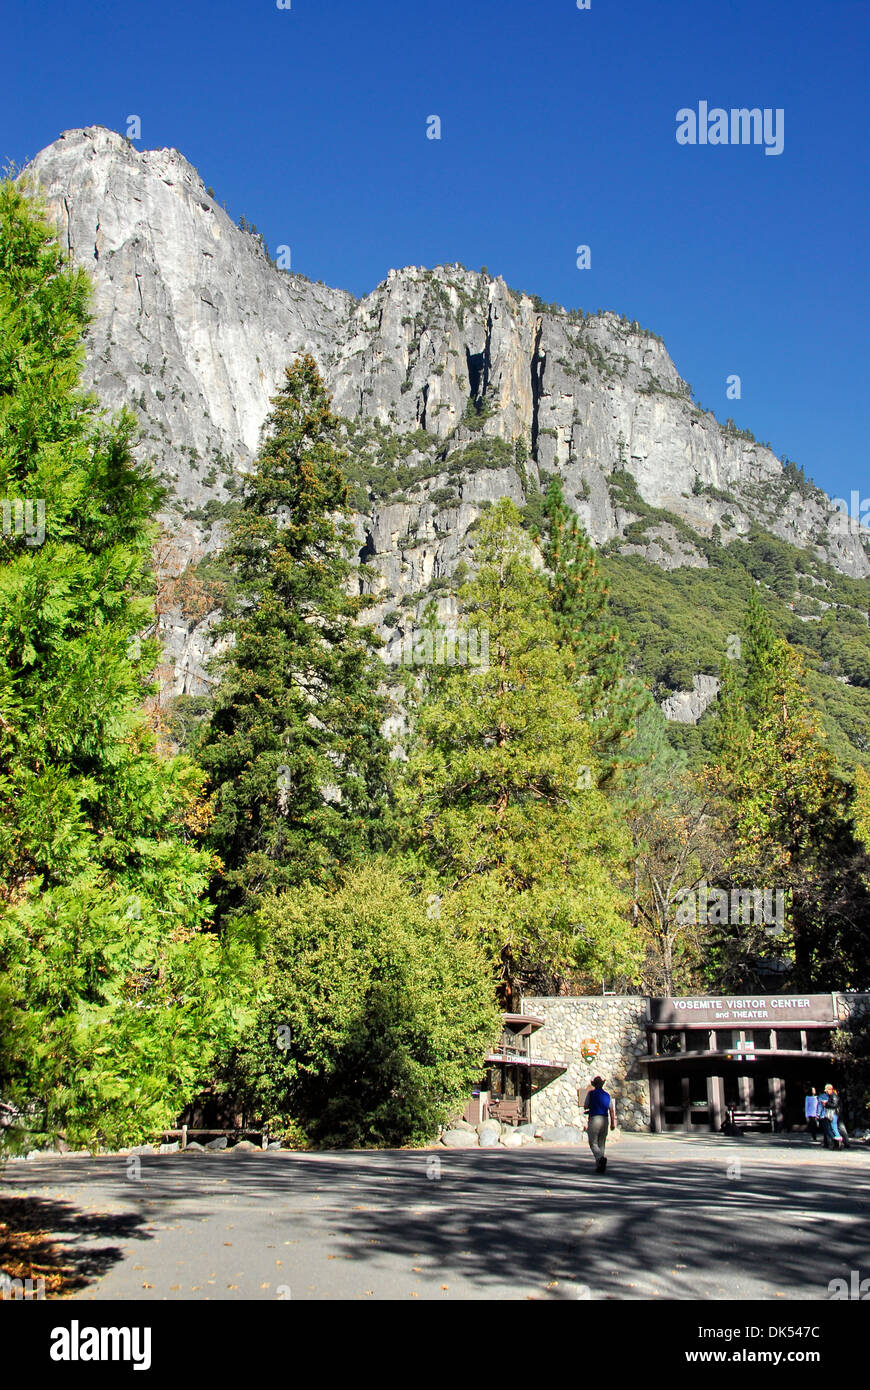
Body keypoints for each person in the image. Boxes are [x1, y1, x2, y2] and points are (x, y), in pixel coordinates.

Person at [582, 1076, 616, 1173]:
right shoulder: (607, 1095)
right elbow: (611, 1110)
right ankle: (600, 1165)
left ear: (594, 1084)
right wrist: (612, 1123)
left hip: (594, 1118)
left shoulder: (591, 1094)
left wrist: (591, 1108)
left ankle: (599, 1158)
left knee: (593, 1142)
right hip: (605, 1119)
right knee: (602, 1142)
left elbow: (586, 1105)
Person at [820, 1084, 845, 1150]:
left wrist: (826, 1103)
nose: (826, 1092)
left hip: (833, 1114)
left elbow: (834, 1105)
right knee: (828, 1128)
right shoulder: (830, 1096)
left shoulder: (834, 1096)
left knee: (833, 1127)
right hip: (831, 1113)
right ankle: (836, 1141)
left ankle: (838, 1140)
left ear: (830, 1089)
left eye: (827, 1090)